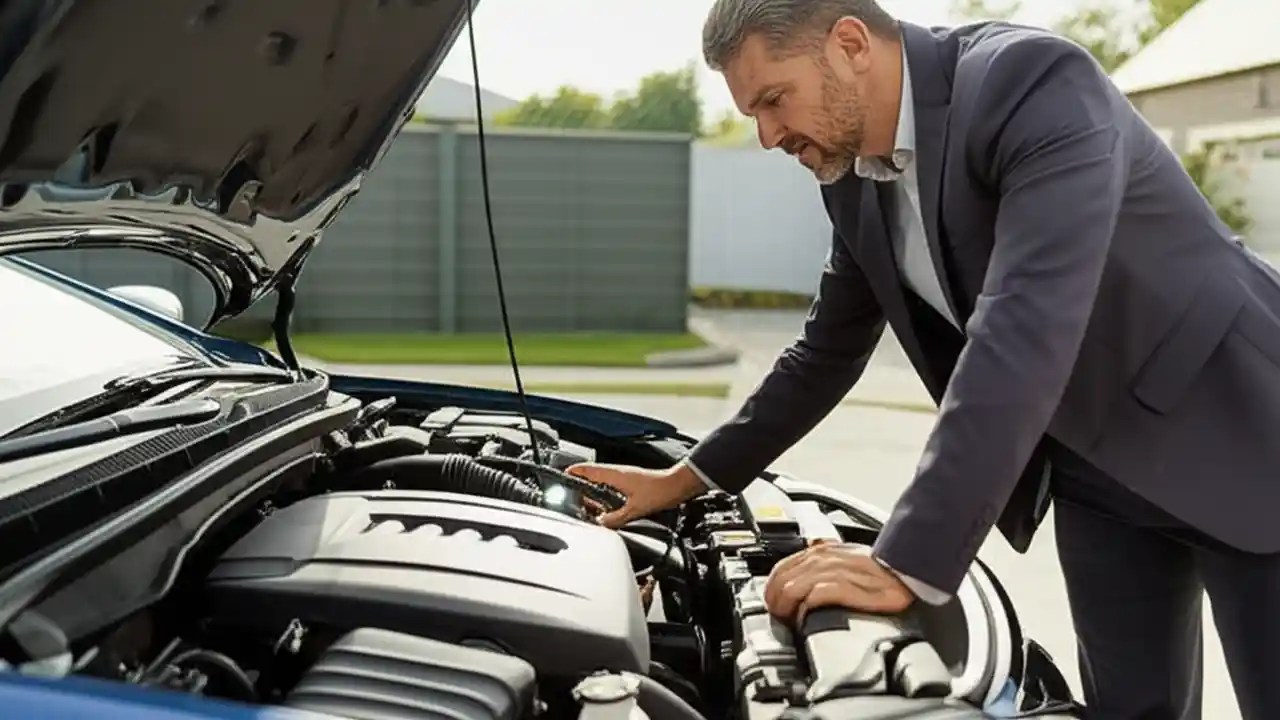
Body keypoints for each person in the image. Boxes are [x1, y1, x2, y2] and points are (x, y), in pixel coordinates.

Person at [565, 1, 1280, 717]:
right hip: (1096, 468)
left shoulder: (1030, 83)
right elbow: (825, 352)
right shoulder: (850, 178)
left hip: (1244, 426)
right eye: (753, 112)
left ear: (849, 44)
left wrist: (904, 559)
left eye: (774, 100)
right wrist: (684, 478)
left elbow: (1022, 327)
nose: (767, 135)